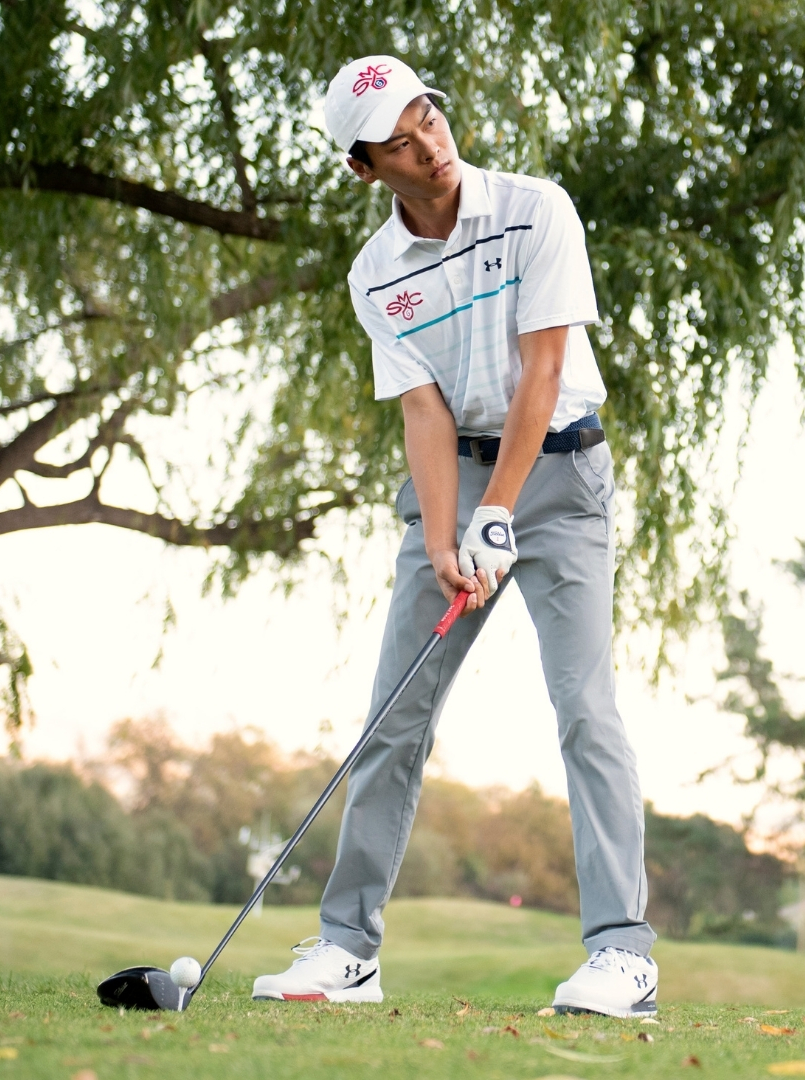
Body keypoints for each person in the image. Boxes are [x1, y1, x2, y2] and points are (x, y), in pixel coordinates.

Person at [246, 54, 658, 1018]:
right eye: (399, 137)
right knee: (395, 713)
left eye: (427, 116)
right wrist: (445, 536)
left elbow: (541, 374)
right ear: (364, 167)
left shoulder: (536, 209)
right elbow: (424, 414)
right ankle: (347, 948)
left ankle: (621, 956)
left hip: (561, 475)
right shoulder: (375, 275)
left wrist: (499, 510)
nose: (428, 144)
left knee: (584, 707)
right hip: (459, 480)